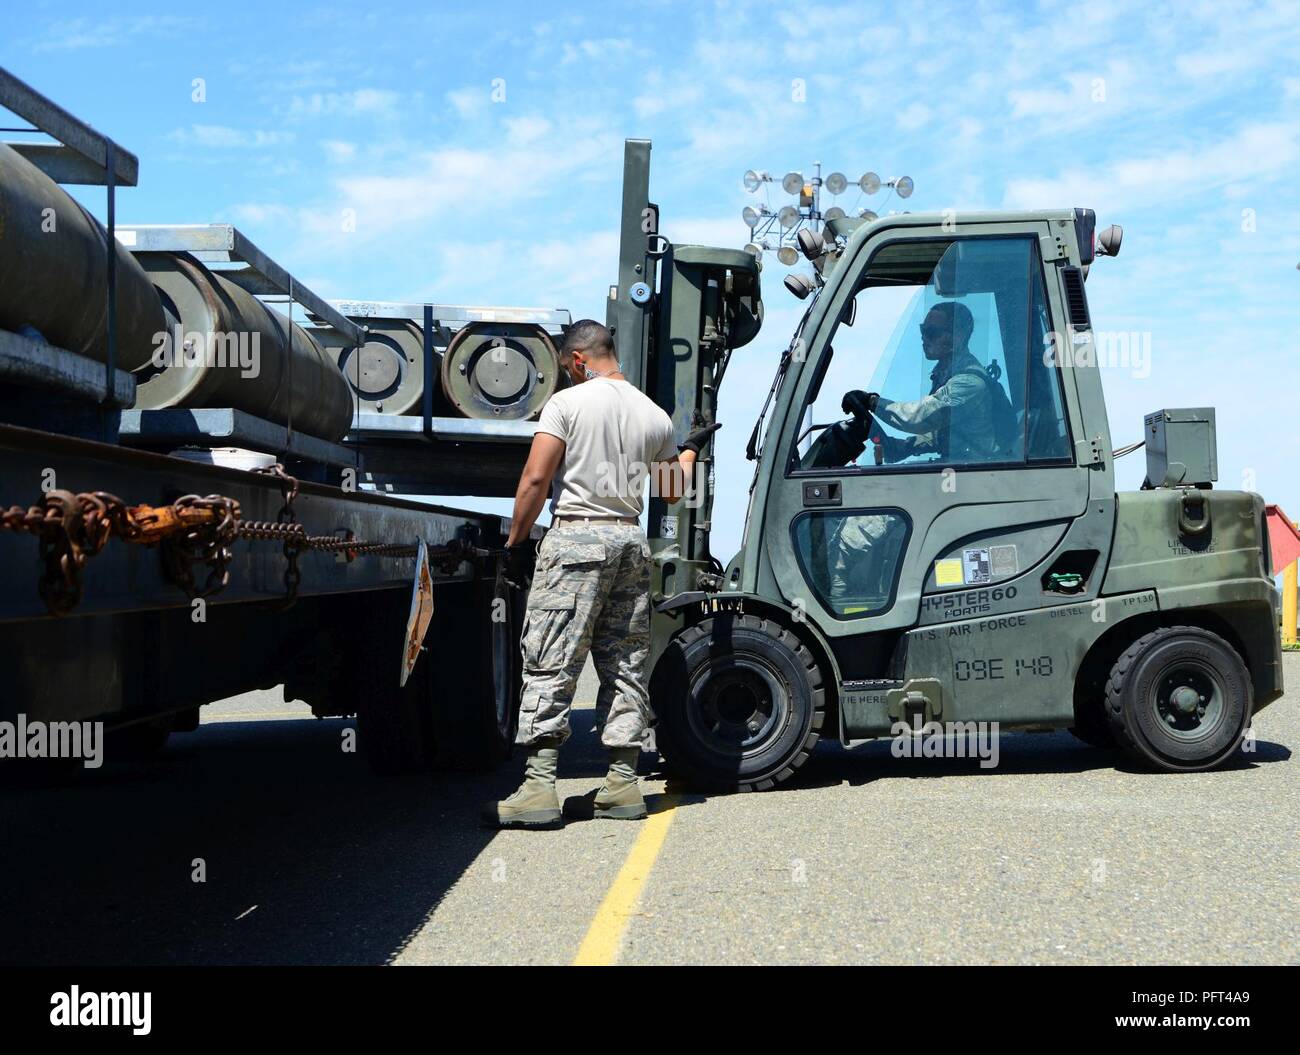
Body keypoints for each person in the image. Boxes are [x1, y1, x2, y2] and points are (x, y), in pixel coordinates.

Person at [484, 319, 717, 829]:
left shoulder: (568, 405)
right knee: (624, 663)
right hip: (630, 543)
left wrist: (516, 543)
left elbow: (536, 477)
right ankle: (621, 786)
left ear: (579, 360)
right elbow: (672, 492)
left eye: (570, 367)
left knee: (550, 657)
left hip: (576, 540)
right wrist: (691, 448)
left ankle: (539, 790)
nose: (570, 375)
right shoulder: (654, 415)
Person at [827, 301, 1000, 604]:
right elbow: (933, 435)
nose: (925, 337)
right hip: (956, 476)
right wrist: (893, 445)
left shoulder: (968, 383)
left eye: (932, 331)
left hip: (968, 482)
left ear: (958, 336)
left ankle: (836, 594)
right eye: (924, 330)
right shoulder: (946, 375)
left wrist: (872, 402)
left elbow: (919, 417)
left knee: (878, 512)